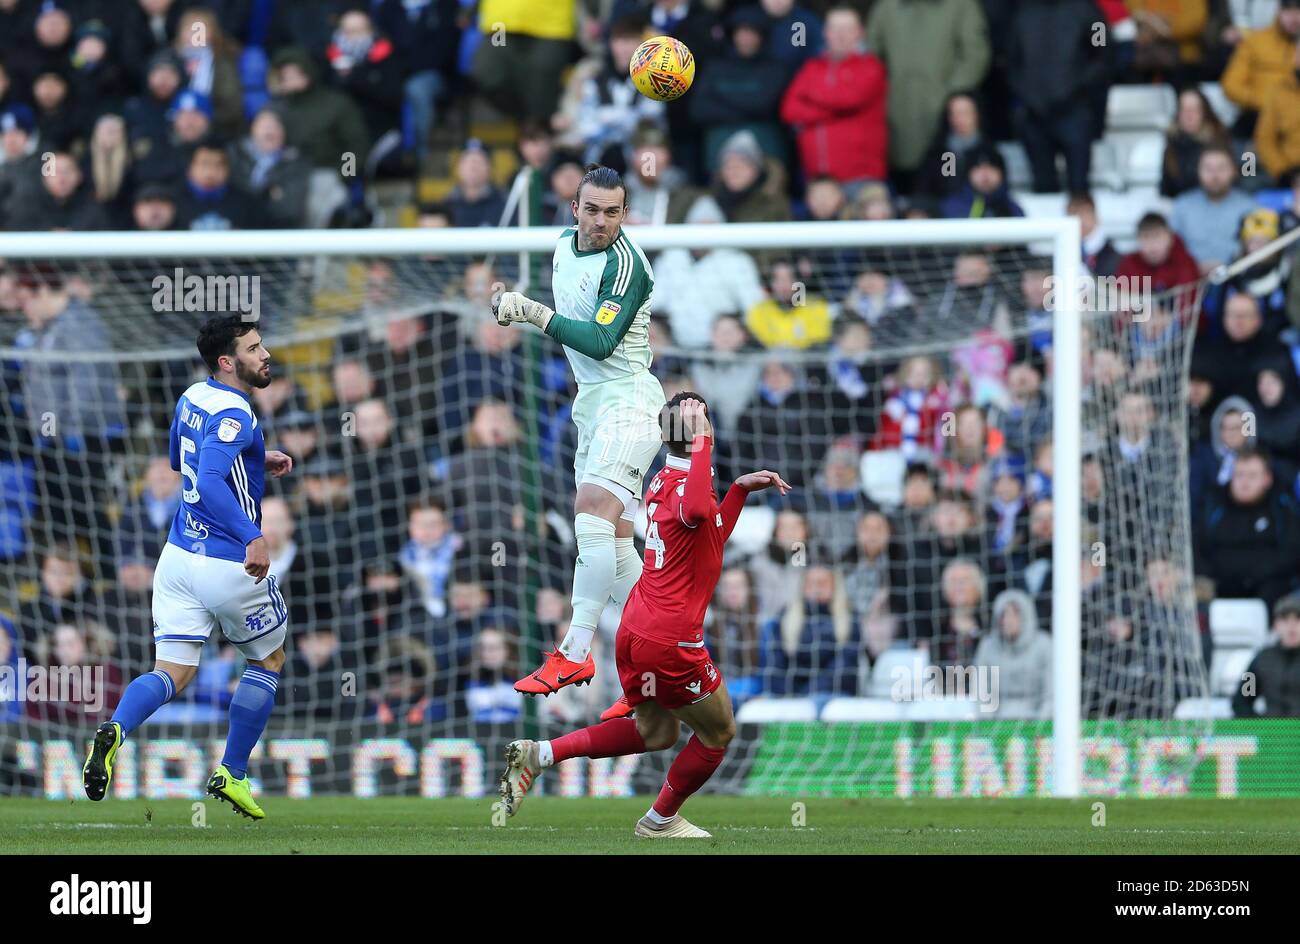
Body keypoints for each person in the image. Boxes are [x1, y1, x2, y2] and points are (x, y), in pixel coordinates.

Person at [498, 394, 790, 837]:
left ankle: (540, 755)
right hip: (670, 639)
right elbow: (695, 511)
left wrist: (737, 491)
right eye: (702, 419)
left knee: (656, 733)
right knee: (719, 733)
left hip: (636, 629)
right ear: (695, 432)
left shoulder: (661, 481)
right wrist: (703, 443)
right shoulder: (691, 477)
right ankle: (660, 820)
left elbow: (705, 533)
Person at [81, 316, 296, 820]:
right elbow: (215, 478)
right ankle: (233, 772)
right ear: (228, 362)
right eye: (253, 348)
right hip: (229, 565)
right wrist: (253, 536)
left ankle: (115, 729)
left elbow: (183, 461)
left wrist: (256, 458)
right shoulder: (237, 415)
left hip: (177, 558)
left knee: (171, 672)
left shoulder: (192, 397)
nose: (265, 354)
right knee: (269, 660)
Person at [492, 165, 667, 695]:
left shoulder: (627, 266)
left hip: (630, 399)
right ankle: (669, 638)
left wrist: (531, 313)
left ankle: (574, 652)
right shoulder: (563, 246)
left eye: (612, 212)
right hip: (592, 406)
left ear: (624, 214)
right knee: (611, 544)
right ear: (574, 209)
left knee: (591, 514)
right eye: (591, 209)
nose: (600, 221)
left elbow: (599, 342)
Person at [1233, 590, 1300, 717]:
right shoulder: (1262, 659)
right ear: (1276, 625)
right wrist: (1259, 727)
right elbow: (1242, 701)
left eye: (1298, 619)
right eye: (1285, 619)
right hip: (1271, 732)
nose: (1292, 626)